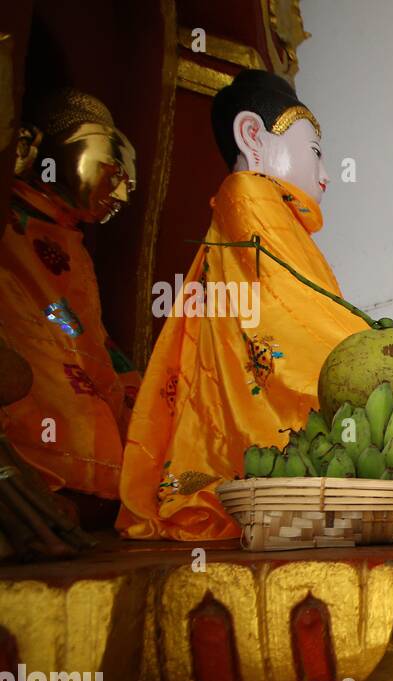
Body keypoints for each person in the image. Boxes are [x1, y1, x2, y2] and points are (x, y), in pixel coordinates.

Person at [116, 70, 370, 540]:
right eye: (315, 152)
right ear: (254, 137)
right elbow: (294, 324)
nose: (326, 175)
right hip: (248, 440)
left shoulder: (265, 212)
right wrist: (373, 354)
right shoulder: (250, 198)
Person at [0, 89, 140, 515]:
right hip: (27, 349)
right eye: (112, 173)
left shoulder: (70, 240)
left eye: (128, 186)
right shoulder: (10, 221)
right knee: (71, 408)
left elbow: (83, 326)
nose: (120, 197)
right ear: (28, 145)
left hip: (71, 345)